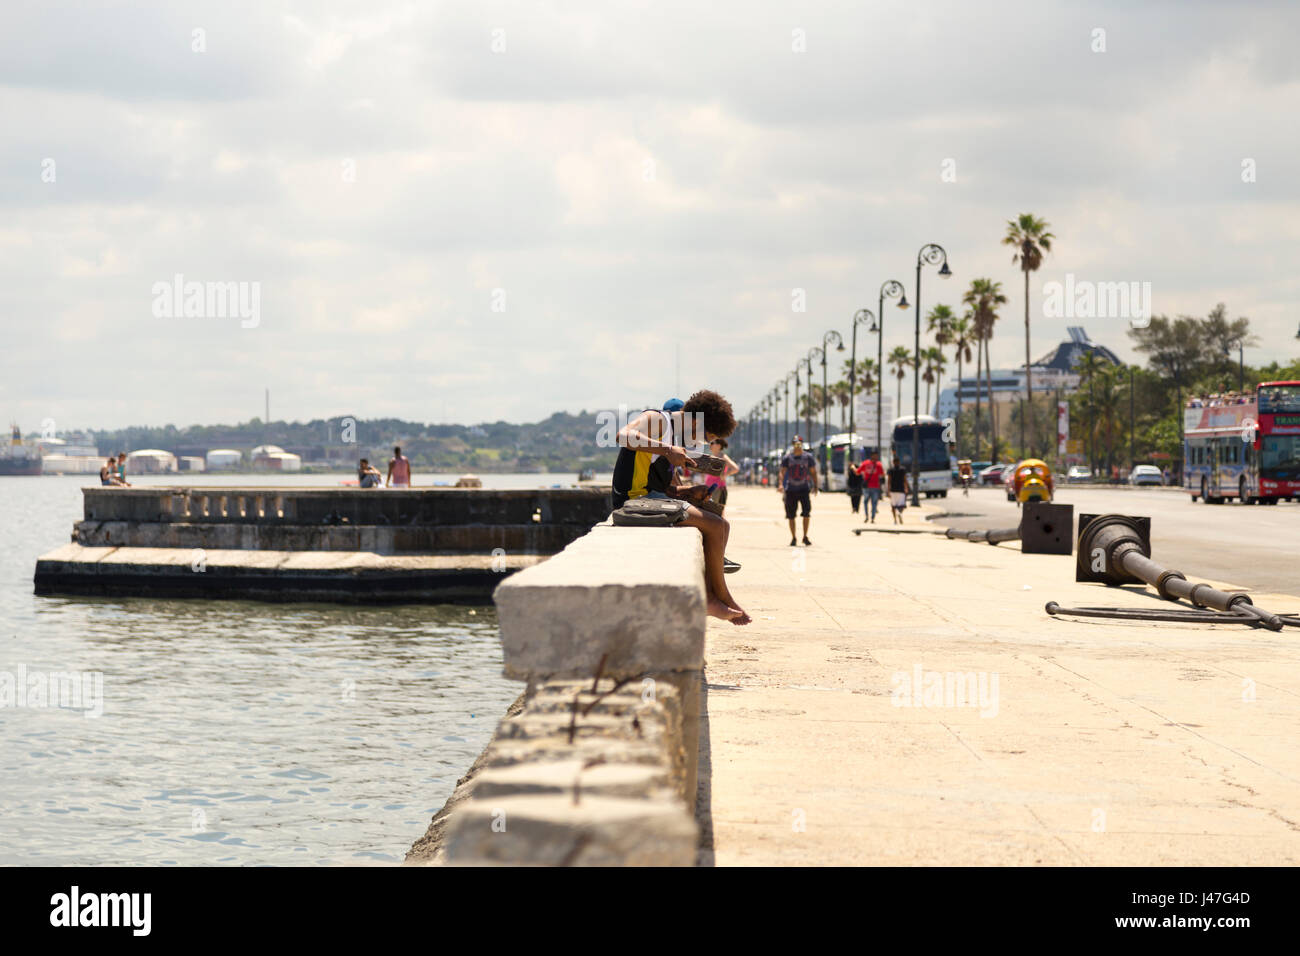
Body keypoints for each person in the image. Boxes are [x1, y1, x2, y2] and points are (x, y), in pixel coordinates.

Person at [613, 389, 749, 625]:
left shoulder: (676, 438)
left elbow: (655, 485)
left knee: (721, 523)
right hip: (633, 502)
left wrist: (685, 492)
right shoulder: (658, 420)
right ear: (696, 422)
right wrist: (667, 450)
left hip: (651, 498)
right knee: (715, 526)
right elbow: (622, 435)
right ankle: (714, 597)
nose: (705, 443)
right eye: (707, 437)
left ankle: (713, 595)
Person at [778, 436, 818, 546]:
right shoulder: (787, 458)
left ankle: (805, 536)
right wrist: (781, 484)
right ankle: (794, 537)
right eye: (795, 443)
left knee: (806, 513)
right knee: (791, 515)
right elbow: (782, 472)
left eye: (799, 443)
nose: (797, 445)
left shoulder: (808, 457)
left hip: (804, 489)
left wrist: (816, 485)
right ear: (793, 444)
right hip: (791, 489)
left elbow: (813, 472)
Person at [856, 452, 885, 522]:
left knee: (870, 502)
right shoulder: (877, 464)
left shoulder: (873, 464)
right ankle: (870, 517)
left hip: (872, 487)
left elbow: (857, 472)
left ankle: (870, 517)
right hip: (871, 487)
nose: (876, 457)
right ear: (872, 456)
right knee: (872, 502)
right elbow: (882, 475)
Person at [886, 451, 909, 524]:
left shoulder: (890, 470)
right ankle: (899, 512)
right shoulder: (903, 469)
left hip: (893, 490)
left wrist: (888, 490)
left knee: (893, 506)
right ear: (899, 462)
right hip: (901, 489)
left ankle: (895, 520)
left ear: (893, 462)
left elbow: (889, 481)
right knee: (901, 505)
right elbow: (905, 480)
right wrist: (906, 488)